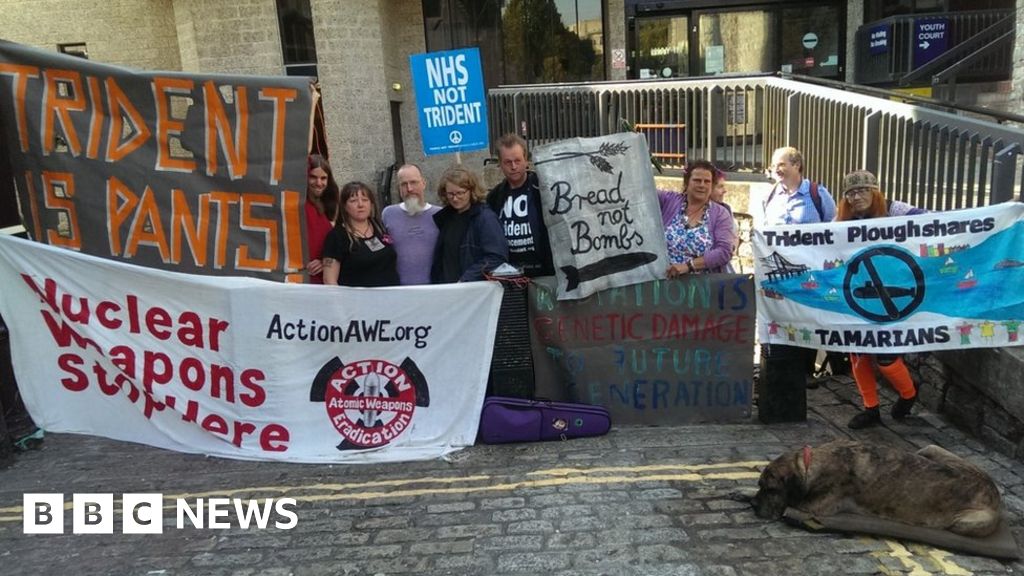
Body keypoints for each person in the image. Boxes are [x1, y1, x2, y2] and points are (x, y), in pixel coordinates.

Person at [836, 170, 924, 429]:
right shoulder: (842, 219)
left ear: (875, 191)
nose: (856, 197)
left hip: (895, 296)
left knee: (887, 358)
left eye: (862, 190)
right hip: (860, 298)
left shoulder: (896, 210)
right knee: (859, 354)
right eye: (851, 193)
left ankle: (908, 394)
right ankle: (870, 408)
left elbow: (936, 222)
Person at [486, 133, 554, 277]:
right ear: (500, 164)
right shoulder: (494, 197)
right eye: (508, 162)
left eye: (517, 160)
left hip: (544, 271)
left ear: (526, 160)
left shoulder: (542, 188)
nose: (513, 166)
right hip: (509, 274)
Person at [658, 160, 736, 277]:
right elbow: (641, 191)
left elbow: (724, 251)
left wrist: (689, 266)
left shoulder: (720, 214)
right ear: (687, 182)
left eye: (707, 181)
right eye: (697, 180)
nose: (702, 185)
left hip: (702, 284)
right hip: (664, 280)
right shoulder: (669, 201)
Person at [432, 165, 509, 283]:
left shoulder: (485, 218)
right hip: (447, 288)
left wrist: (467, 279)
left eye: (460, 193)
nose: (455, 198)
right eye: (450, 194)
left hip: (472, 288)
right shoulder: (445, 218)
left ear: (471, 191)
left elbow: (496, 256)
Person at [322, 181, 399, 287]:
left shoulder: (379, 227)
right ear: (344, 206)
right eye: (353, 201)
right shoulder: (336, 237)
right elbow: (329, 280)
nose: (360, 205)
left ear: (371, 204)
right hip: (356, 297)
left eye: (365, 200)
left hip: (391, 295)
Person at [381, 164, 440, 285]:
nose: (409, 189)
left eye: (414, 182)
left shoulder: (440, 214)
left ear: (423, 183)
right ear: (399, 188)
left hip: (434, 288)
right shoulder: (388, 214)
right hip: (398, 289)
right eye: (404, 184)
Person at [757, 146, 837, 226]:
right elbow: (760, 229)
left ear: (797, 165)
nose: (776, 170)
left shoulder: (818, 194)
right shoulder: (768, 196)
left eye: (781, 165)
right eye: (773, 166)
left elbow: (834, 226)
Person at [304, 154, 339, 284]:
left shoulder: (327, 205)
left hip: (324, 279)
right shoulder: (298, 205)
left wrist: (323, 261)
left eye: (323, 178)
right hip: (305, 279)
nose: (319, 183)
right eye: (313, 177)